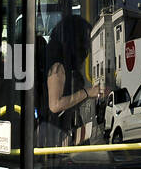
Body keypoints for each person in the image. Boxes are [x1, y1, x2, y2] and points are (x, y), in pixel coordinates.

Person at [44, 15, 103, 146]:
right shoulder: (58, 68)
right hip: (59, 134)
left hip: (68, 129)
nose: (88, 44)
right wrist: (88, 92)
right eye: (86, 39)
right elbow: (55, 105)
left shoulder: (68, 68)